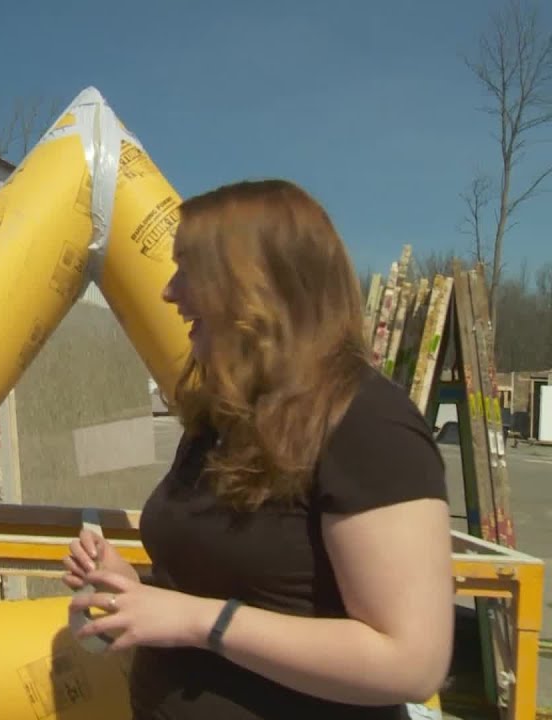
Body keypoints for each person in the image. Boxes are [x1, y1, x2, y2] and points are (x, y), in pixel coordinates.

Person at [62, 179, 454, 719]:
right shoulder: (223, 418)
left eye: (188, 269)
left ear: (256, 282)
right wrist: (134, 590)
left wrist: (197, 621)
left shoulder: (367, 423)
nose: (168, 292)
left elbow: (411, 661)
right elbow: (239, 585)